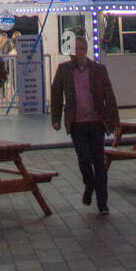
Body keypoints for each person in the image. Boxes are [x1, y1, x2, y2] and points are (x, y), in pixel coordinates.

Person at [51, 34, 120, 214]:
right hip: (77, 123)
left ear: (86, 51)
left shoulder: (98, 69)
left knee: (99, 161)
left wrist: (115, 121)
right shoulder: (64, 70)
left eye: (81, 49)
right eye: (75, 50)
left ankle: (102, 202)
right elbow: (57, 94)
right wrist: (56, 119)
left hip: (96, 121)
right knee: (83, 159)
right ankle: (89, 185)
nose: (78, 53)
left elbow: (109, 96)